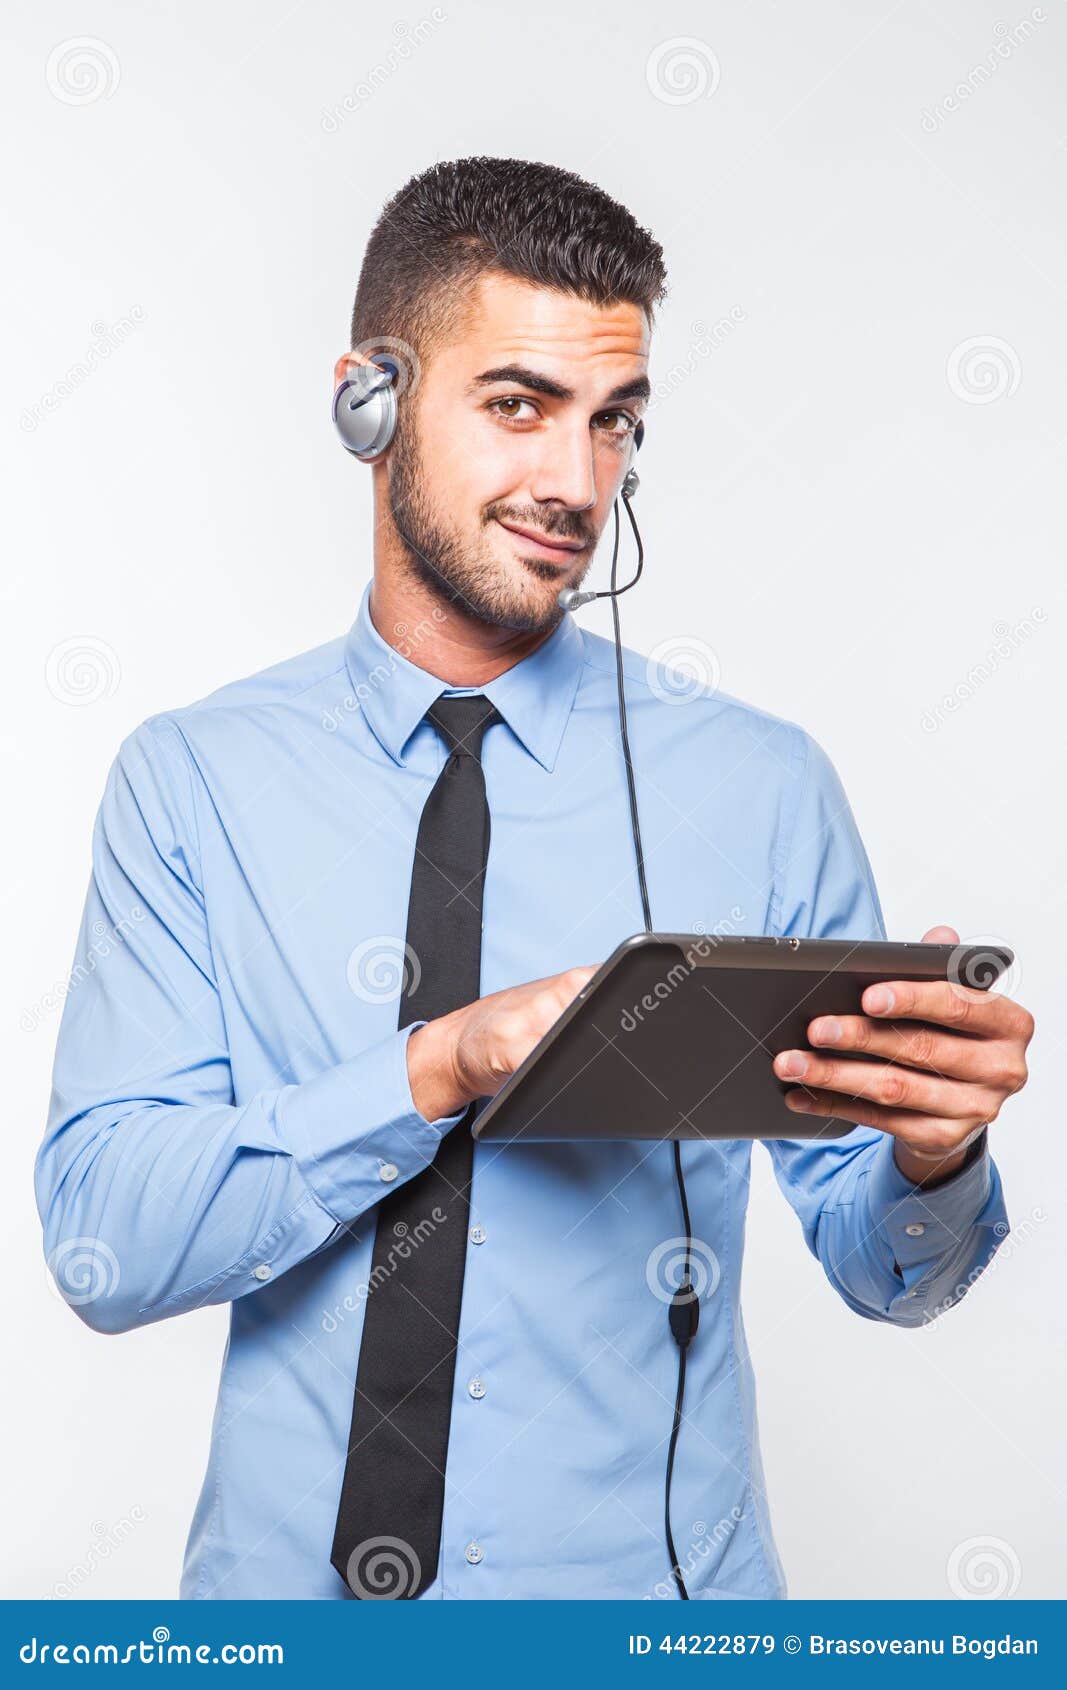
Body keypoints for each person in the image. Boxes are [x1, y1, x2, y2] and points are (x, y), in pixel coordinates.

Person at [36, 156, 1033, 1602]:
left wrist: (934, 1156)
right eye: (519, 404)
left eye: (613, 421)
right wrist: (432, 1065)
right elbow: (105, 1243)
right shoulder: (193, 782)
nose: (576, 480)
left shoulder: (758, 789)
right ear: (366, 401)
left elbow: (894, 1272)